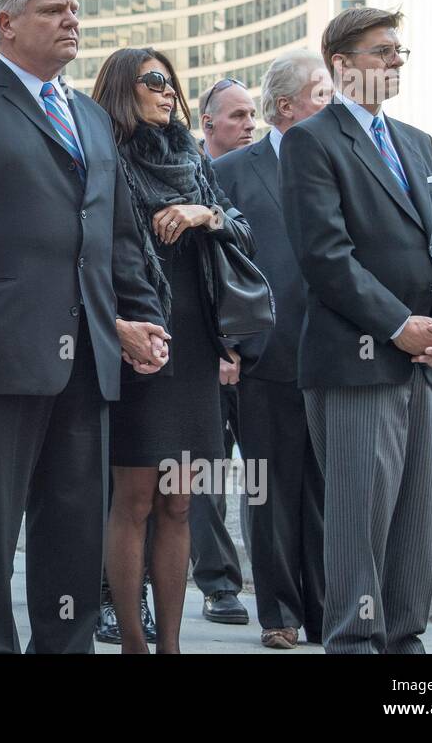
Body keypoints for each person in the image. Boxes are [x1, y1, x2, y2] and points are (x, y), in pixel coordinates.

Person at [0, 0, 169, 654]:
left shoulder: (87, 114)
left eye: (74, 9)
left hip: (88, 354)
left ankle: (65, 644)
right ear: (6, 24)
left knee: (75, 519)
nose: (70, 20)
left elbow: (114, 233)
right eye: (53, 9)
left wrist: (139, 315)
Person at [280, 7, 432, 654]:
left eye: (398, 51)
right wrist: (398, 325)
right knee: (359, 523)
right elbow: (326, 257)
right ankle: (355, 642)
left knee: (416, 518)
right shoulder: (313, 140)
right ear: (342, 64)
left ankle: (402, 639)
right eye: (382, 50)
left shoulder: (418, 142)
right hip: (356, 362)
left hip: (425, 362)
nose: (395, 61)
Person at [93, 48, 255, 654]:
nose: (167, 92)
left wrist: (203, 211)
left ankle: (171, 646)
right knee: (133, 499)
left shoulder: (191, 157)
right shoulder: (101, 155)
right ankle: (134, 641)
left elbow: (244, 228)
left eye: (171, 82)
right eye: (153, 81)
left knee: (181, 501)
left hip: (193, 346)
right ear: (121, 89)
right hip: (138, 338)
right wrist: (116, 327)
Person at [213, 49, 333, 648]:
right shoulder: (233, 171)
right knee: (269, 489)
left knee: (323, 489)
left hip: (339, 354)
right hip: (264, 355)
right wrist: (226, 344)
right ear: (285, 106)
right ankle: (280, 614)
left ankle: (323, 611)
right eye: (320, 92)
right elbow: (214, 268)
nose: (330, 101)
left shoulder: (343, 163)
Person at [190, 76, 257, 627]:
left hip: (260, 351)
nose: (248, 125)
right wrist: (218, 347)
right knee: (206, 472)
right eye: (236, 116)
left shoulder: (263, 173)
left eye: (251, 114)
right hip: (206, 350)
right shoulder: (188, 176)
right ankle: (218, 584)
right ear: (207, 124)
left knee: (260, 470)